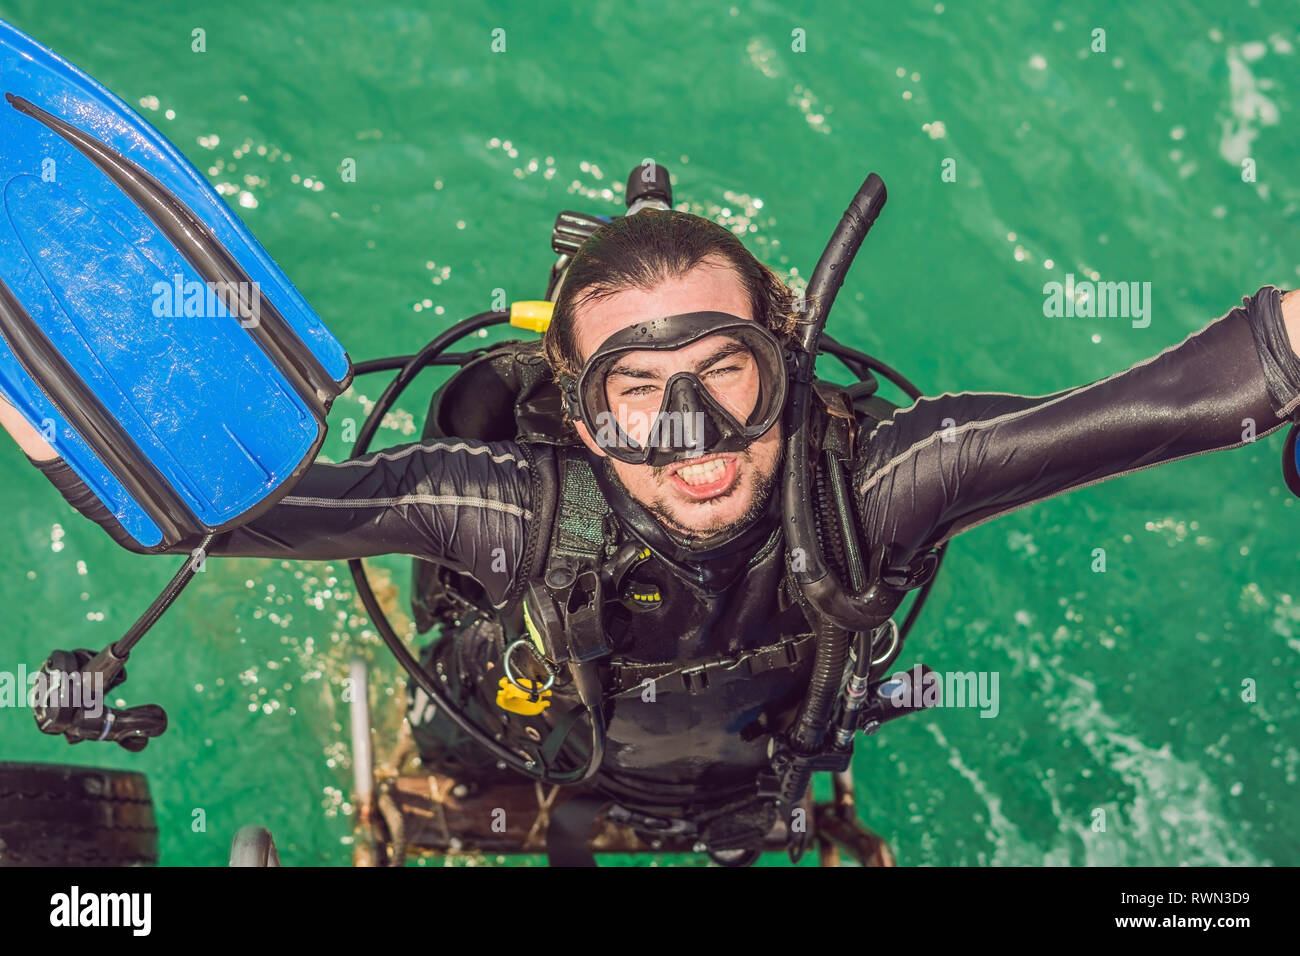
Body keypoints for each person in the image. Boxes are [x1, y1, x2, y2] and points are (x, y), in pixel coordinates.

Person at [5, 208, 1300, 853]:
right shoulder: (503, 510)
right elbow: (240, 511)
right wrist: (86, 451)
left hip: (754, 792)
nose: (692, 435)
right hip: (502, 768)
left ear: (783, 355)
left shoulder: (885, 483)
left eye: (722, 370)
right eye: (636, 394)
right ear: (576, 416)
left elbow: (1171, 404)